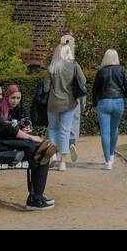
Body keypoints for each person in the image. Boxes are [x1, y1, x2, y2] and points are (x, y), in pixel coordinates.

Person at [0, 80, 54, 210]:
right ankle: (35, 199)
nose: (1, 97)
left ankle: (36, 197)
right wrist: (30, 136)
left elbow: (4, 131)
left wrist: (26, 136)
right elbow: (8, 130)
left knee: (42, 150)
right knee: (43, 152)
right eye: (0, 94)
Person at [47, 36, 86, 171]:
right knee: (65, 131)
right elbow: (83, 81)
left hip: (53, 103)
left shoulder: (51, 68)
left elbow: (46, 87)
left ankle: (52, 156)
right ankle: (63, 162)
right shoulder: (74, 66)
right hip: (69, 103)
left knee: (52, 129)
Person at [91, 48, 127, 171]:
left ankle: (108, 161)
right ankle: (111, 155)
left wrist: (94, 104)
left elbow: (95, 90)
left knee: (105, 132)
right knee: (114, 129)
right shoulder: (121, 70)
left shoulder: (101, 71)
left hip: (104, 102)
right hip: (118, 102)